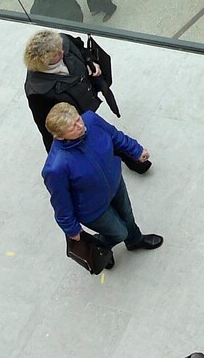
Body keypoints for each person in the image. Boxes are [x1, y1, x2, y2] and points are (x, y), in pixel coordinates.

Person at [40, 101, 161, 256]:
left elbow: (114, 135)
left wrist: (135, 150)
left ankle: (135, 240)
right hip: (92, 208)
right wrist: (72, 229)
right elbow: (61, 202)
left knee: (127, 215)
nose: (80, 126)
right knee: (119, 233)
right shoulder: (56, 167)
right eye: (72, 128)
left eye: (78, 119)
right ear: (59, 136)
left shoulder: (91, 120)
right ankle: (100, 249)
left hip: (115, 183)